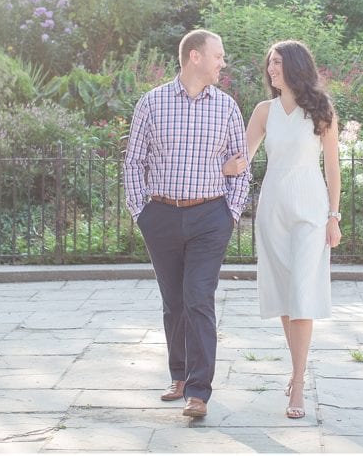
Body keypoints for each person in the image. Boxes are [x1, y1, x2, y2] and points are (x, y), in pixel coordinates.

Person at [123, 29, 251, 420]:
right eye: (218, 55)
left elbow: (241, 165)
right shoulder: (152, 102)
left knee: (198, 296)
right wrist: (140, 212)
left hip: (210, 217)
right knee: (173, 301)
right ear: (195, 56)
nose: (223, 62)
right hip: (161, 215)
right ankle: (178, 375)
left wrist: (230, 213)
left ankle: (198, 392)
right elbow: (134, 161)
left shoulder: (227, 107)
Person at [223, 39, 341, 420]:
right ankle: (296, 370)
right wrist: (223, 167)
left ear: (295, 66)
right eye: (269, 63)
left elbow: (332, 168)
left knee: (302, 294)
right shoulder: (264, 111)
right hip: (273, 209)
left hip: (311, 209)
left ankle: (299, 381)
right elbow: (242, 157)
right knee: (285, 295)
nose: (271, 69)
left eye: (277, 63)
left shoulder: (321, 110)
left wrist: (334, 216)